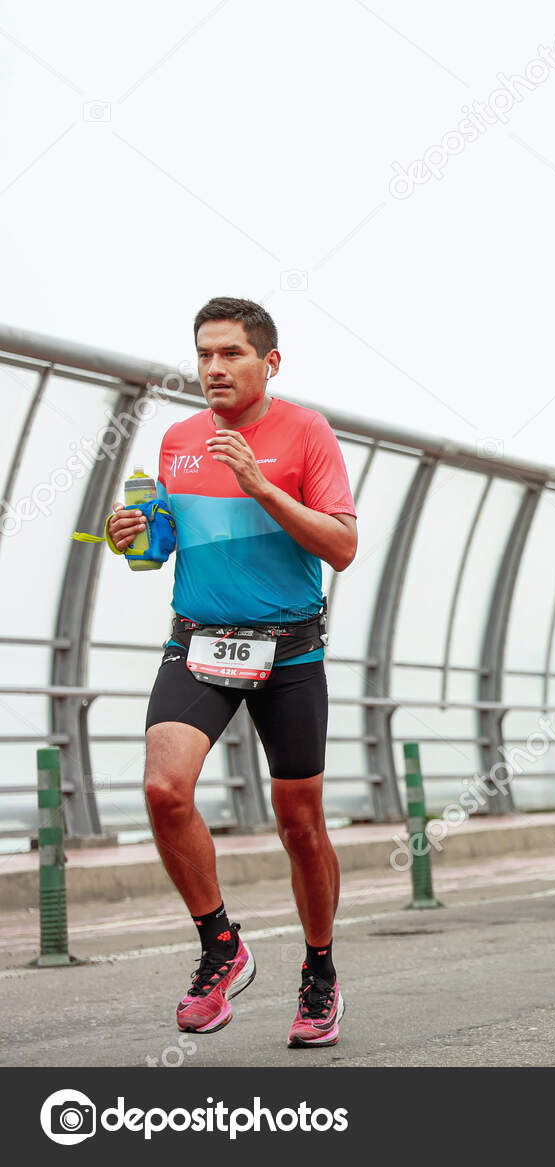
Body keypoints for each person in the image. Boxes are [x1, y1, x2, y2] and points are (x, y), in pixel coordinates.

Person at [104, 299, 357, 1047]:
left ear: (268, 362)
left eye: (232, 354)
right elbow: (159, 550)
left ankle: (319, 972)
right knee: (162, 787)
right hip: (200, 642)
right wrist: (137, 536)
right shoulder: (179, 438)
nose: (214, 367)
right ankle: (222, 944)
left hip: (289, 649)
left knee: (301, 827)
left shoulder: (306, 431)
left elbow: (341, 547)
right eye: (205, 353)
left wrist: (264, 487)